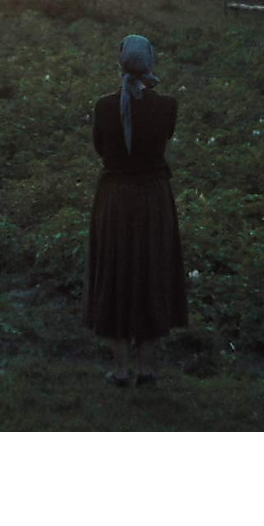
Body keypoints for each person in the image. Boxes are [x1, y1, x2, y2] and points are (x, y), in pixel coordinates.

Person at [83, 33, 187, 387]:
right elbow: (162, 141)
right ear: (150, 62)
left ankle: (121, 369)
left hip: (114, 200)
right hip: (153, 200)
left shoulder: (104, 107)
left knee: (115, 275)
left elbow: (101, 149)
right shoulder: (167, 106)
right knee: (151, 274)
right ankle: (145, 368)